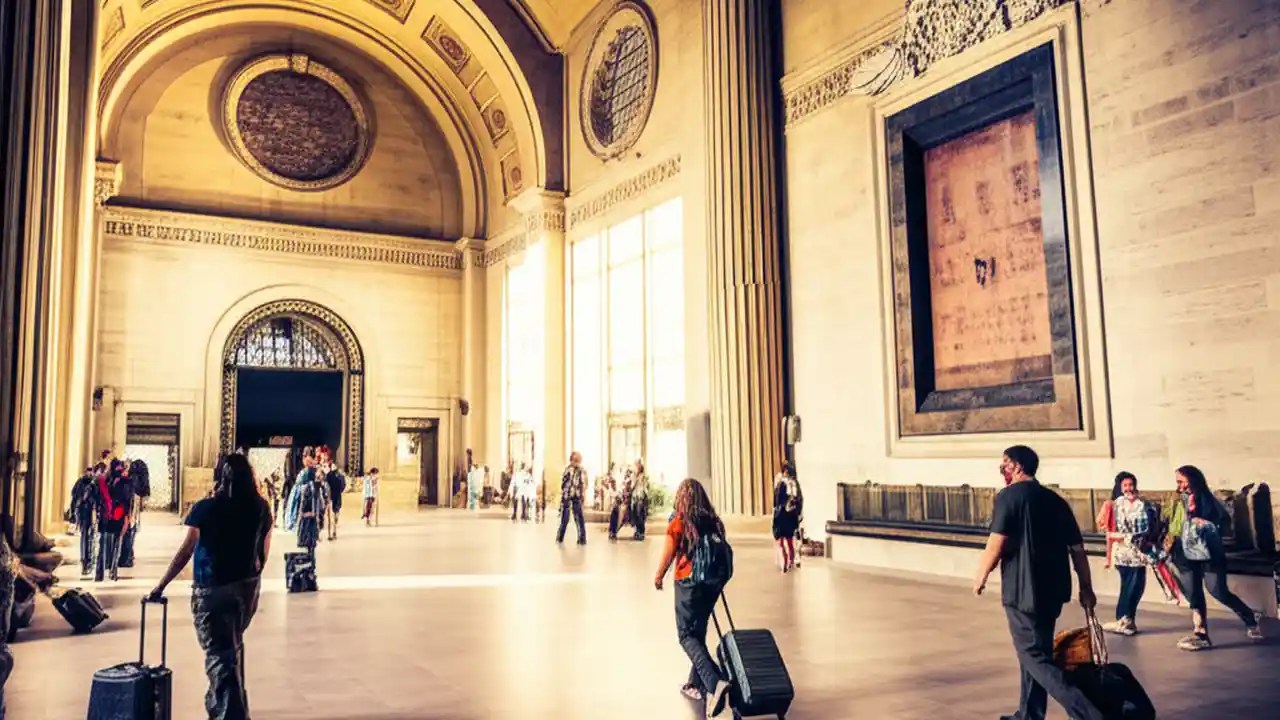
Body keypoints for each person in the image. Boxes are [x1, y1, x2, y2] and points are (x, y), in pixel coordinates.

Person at [972, 445, 1104, 720]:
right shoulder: (1055, 500)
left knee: (1034, 657)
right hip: (1053, 590)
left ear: (1018, 466)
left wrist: (980, 575)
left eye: (1005, 463)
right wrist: (1086, 587)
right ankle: (1029, 715)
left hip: (1022, 591)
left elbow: (997, 543)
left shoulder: (1008, 497)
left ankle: (1089, 713)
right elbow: (1077, 549)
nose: (1002, 469)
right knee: (1037, 651)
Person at [147, 454, 272, 720]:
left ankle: (229, 715)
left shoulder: (206, 508)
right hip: (247, 588)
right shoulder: (261, 507)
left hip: (212, 589)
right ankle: (233, 710)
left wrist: (161, 585)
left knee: (220, 655)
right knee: (232, 649)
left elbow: (186, 550)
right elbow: (263, 553)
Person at [654, 478, 733, 719]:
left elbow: (669, 549)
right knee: (698, 632)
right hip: (712, 585)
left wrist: (659, 575)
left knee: (686, 636)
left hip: (689, 582)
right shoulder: (714, 522)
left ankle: (714, 682)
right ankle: (694, 684)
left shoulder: (680, 521)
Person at [1168, 465, 1262, 651]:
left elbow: (1224, 522)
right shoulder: (1176, 500)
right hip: (1184, 553)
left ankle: (1250, 617)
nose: (1179, 486)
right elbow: (1171, 522)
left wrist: (1207, 524)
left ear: (1192, 480)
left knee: (1217, 590)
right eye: (1177, 482)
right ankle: (1200, 632)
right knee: (1193, 593)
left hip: (1208, 553)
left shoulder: (1207, 499)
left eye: (1182, 481)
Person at [1100, 472, 1153, 636]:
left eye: (1131, 485)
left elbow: (1146, 528)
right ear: (1120, 487)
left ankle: (1128, 618)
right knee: (1126, 585)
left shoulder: (1142, 504)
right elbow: (1106, 526)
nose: (1128, 488)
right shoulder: (1115, 504)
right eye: (1125, 485)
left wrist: (1128, 536)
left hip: (1137, 550)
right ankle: (1123, 618)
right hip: (1122, 551)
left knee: (1136, 585)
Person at [95, 461, 133, 582]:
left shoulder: (103, 482)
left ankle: (100, 573)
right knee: (116, 544)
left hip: (106, 517)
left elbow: (98, 499)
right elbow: (127, 503)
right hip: (118, 517)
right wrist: (127, 519)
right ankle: (112, 572)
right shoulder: (125, 483)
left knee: (103, 546)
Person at [772, 462, 802, 573]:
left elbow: (777, 501)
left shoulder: (784, 483)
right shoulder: (791, 483)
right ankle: (788, 562)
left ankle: (786, 562)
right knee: (785, 541)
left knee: (783, 542)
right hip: (787, 515)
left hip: (783, 515)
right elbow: (799, 500)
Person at [71, 469, 100, 577]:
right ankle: (87, 561)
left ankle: (85, 561)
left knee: (84, 537)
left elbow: (74, 497)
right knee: (89, 537)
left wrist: (74, 514)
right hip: (89, 513)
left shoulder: (80, 483)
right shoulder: (93, 484)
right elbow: (97, 500)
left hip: (82, 513)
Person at [555, 452, 587, 545]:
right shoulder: (568, 470)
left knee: (579, 518)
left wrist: (582, 495)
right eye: (574, 460)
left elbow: (583, 484)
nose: (575, 462)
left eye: (577, 460)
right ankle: (560, 537)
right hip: (567, 497)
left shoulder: (581, 471)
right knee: (565, 519)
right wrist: (564, 496)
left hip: (576, 496)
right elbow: (564, 484)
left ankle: (582, 538)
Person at [631, 459, 650, 541]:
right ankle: (637, 531)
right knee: (635, 515)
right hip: (635, 497)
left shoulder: (643, 477)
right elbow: (632, 486)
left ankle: (641, 532)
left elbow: (645, 488)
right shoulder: (634, 476)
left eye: (636, 466)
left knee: (639, 515)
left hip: (640, 497)